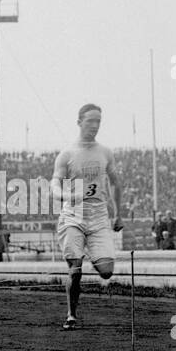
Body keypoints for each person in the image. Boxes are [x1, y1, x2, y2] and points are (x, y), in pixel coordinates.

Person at [53, 103, 123, 330]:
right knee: (75, 268)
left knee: (106, 272)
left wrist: (118, 214)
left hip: (99, 217)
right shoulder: (67, 153)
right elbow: (54, 183)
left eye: (98, 121)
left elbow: (115, 183)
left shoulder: (105, 152)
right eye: (90, 121)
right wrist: (65, 195)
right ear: (79, 122)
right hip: (74, 216)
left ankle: (93, 254)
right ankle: (71, 314)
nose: (94, 125)